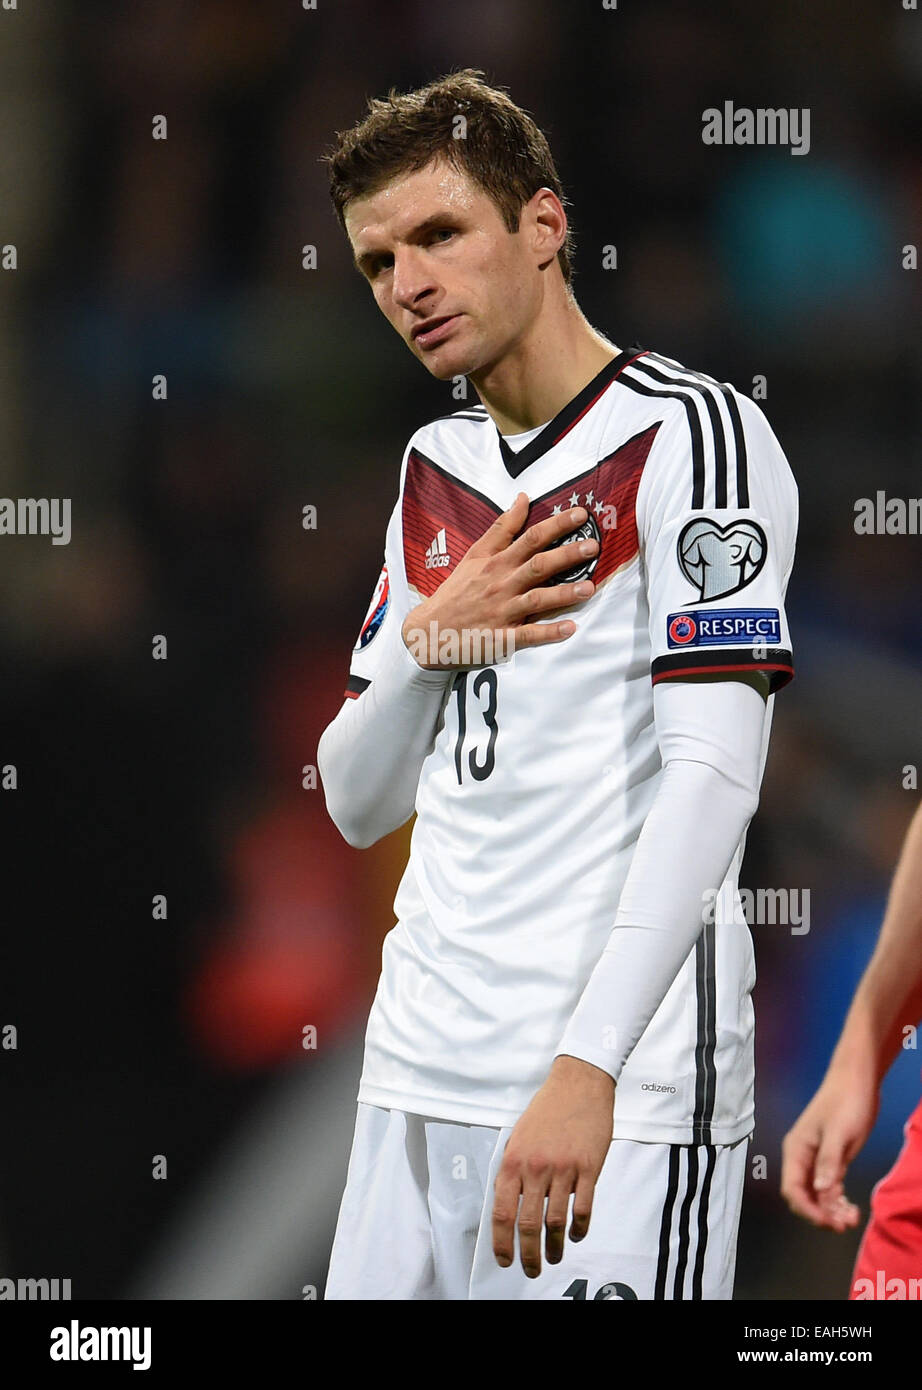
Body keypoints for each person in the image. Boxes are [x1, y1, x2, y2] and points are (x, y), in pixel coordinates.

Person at [317, 68, 797, 1300]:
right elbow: (358, 800)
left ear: (543, 225)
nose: (408, 284)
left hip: (610, 1099)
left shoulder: (694, 436)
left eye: (437, 235)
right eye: (377, 264)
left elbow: (712, 779)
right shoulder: (437, 464)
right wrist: (434, 635)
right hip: (416, 1079)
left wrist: (588, 1071)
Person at [781, 802, 922, 1300]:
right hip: (860, 1136)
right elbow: (818, 1023)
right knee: (827, 1250)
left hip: (901, 1133)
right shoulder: (840, 924)